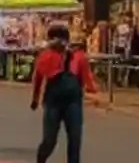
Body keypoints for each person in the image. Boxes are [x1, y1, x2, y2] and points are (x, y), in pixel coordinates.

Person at [31, 24, 99, 163]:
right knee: (50, 140)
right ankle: (41, 159)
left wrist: (94, 93)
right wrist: (35, 98)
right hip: (53, 102)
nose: (58, 42)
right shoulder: (46, 56)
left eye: (61, 38)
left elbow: (86, 78)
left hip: (73, 101)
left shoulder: (77, 56)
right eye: (55, 39)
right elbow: (38, 77)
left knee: (75, 138)